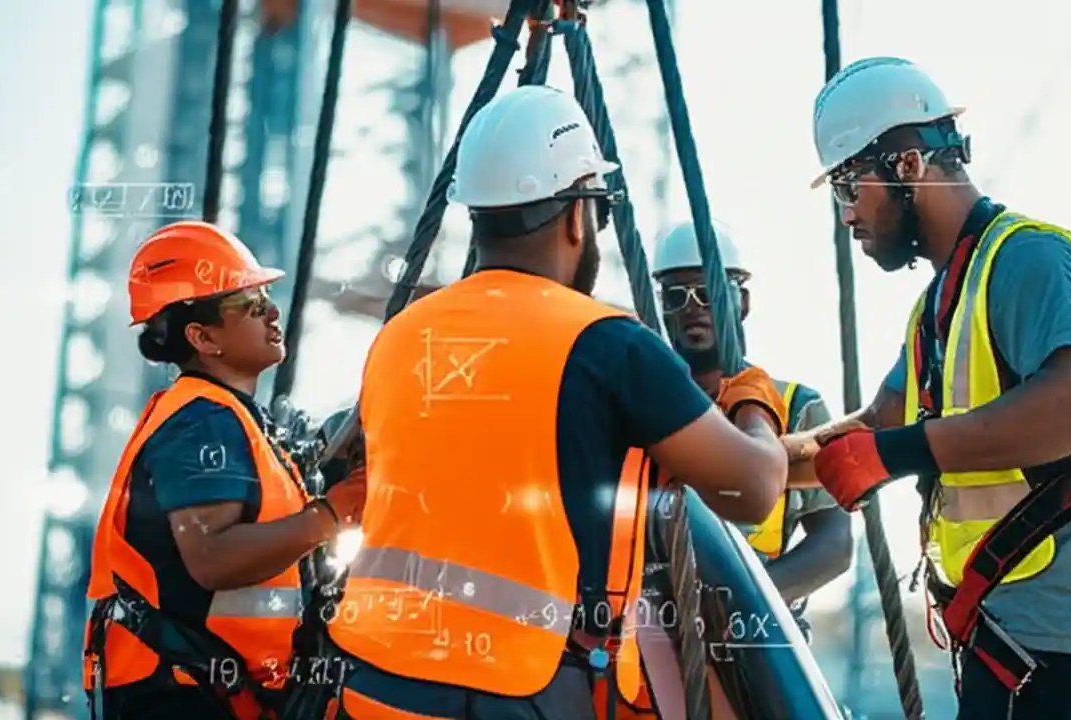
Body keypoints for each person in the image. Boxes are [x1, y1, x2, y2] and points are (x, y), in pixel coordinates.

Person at [324, 85, 790, 720]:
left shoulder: (399, 337)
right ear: (578, 215)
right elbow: (753, 489)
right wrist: (756, 404)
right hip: (517, 689)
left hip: (374, 683)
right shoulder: (609, 343)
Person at [801, 57, 1071, 719]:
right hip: (1009, 617)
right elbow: (870, 434)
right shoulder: (941, 305)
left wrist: (895, 453)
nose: (847, 216)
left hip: (1053, 612)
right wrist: (727, 461)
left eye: (850, 188)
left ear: (908, 166)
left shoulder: (1029, 256)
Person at [83, 221, 366, 719]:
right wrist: (330, 516)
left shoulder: (232, 418)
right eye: (250, 304)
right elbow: (212, 556)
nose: (273, 313)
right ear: (202, 336)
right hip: (180, 697)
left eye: (266, 297)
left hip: (214, 692)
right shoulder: (201, 420)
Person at [650, 219, 853, 638]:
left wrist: (744, 599)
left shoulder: (797, 408)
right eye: (676, 295)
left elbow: (834, 545)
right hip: (656, 636)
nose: (692, 306)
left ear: (740, 301)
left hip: (758, 636)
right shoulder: (643, 408)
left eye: (706, 292)